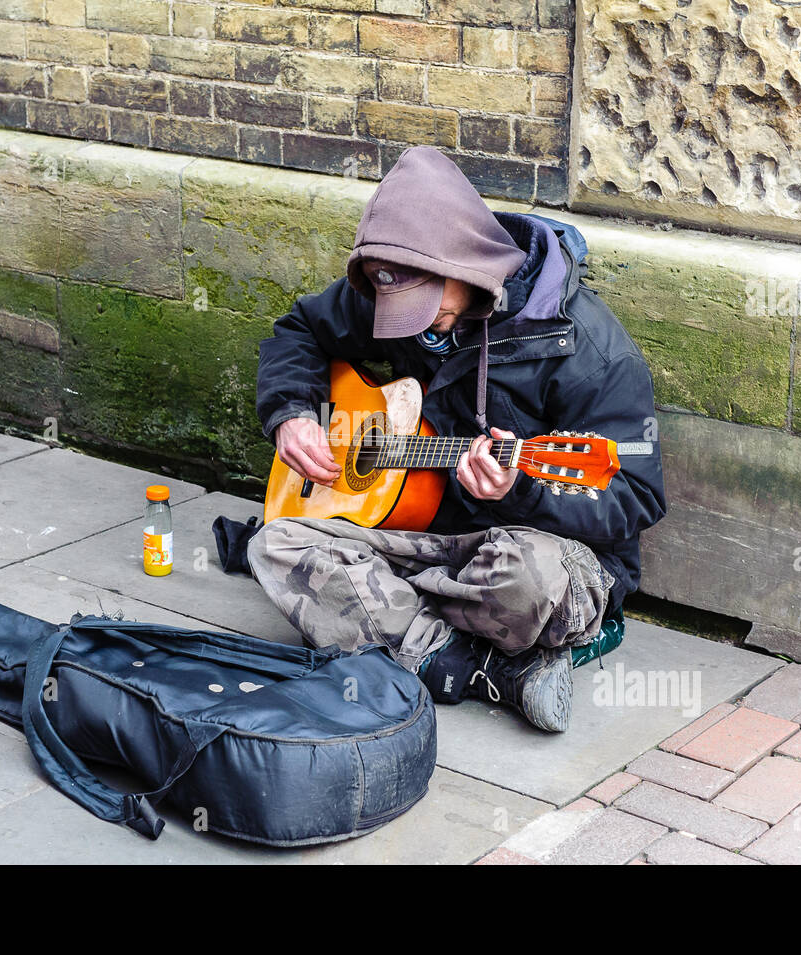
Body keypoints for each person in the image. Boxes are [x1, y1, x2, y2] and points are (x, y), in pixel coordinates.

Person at [247, 145, 667, 732]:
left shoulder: (590, 352)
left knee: (530, 580)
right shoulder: (388, 294)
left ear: (466, 264)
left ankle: (390, 622)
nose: (409, 321)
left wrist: (518, 492)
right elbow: (299, 332)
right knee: (275, 544)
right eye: (392, 305)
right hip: (419, 536)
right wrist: (292, 412)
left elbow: (636, 498)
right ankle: (485, 667)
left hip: (527, 551)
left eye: (423, 304)